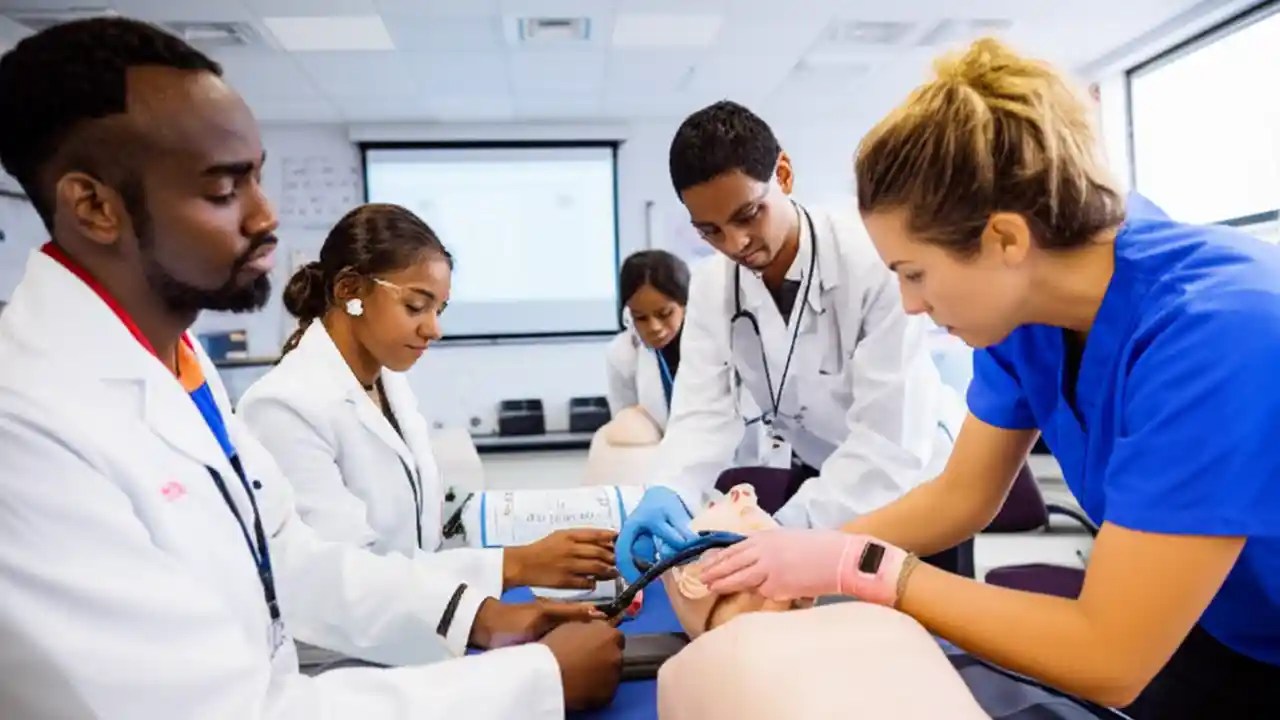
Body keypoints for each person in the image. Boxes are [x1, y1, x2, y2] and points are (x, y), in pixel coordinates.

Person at [0, 17, 620, 719]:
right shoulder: (27, 427)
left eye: (258, 177)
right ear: (95, 207)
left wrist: (481, 614)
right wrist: (532, 685)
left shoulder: (174, 362)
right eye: (222, 189)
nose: (267, 217)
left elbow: (291, 558)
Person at [696, 37, 1280, 719]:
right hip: (1217, 624)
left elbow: (1111, 656)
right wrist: (805, 547)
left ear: (1005, 239)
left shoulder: (1215, 332)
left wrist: (858, 566)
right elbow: (962, 495)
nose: (911, 305)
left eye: (915, 274)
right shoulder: (1028, 311)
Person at [615, 99, 967, 582]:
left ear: (782, 174)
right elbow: (702, 411)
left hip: (918, 484)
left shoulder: (872, 261)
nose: (735, 243)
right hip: (824, 471)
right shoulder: (715, 286)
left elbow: (888, 443)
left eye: (748, 215)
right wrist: (669, 491)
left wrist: (780, 531)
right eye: (710, 231)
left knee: (919, 630)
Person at [238, 203, 618, 606]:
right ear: (349, 290)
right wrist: (514, 566)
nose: (434, 329)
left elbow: (423, 537)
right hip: (342, 660)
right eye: (415, 306)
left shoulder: (390, 386)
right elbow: (345, 579)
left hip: (414, 633)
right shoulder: (283, 407)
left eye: (439, 309)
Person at [604, 249, 691, 438]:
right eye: (640, 317)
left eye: (665, 314)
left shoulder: (716, 341)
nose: (654, 327)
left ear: (685, 304)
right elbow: (626, 426)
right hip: (655, 458)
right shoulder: (622, 354)